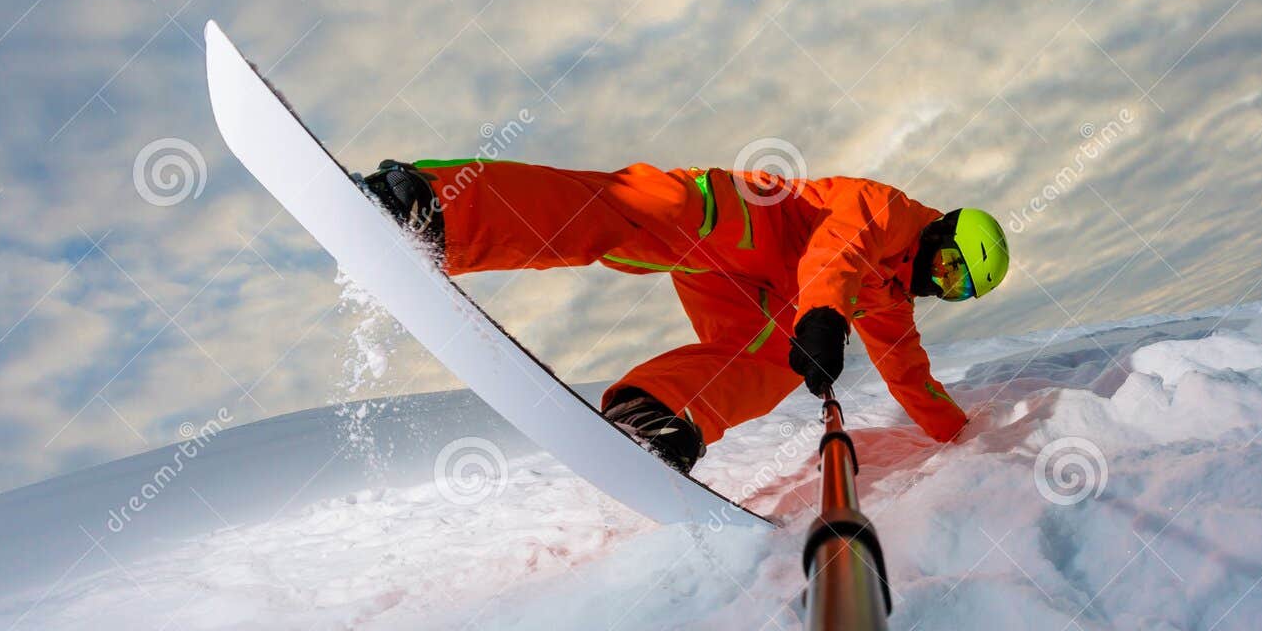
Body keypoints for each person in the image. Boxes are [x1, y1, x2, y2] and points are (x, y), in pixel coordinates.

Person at [357, 158, 1009, 475]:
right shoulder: (887, 211)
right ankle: (436, 206)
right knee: (620, 213)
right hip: (738, 221)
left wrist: (964, 434)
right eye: (951, 264)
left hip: (752, 295)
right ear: (942, 230)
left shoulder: (892, 300)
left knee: (771, 360)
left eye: (957, 288)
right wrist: (824, 315)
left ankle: (656, 414)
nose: (942, 281)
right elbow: (836, 252)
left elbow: (908, 372)